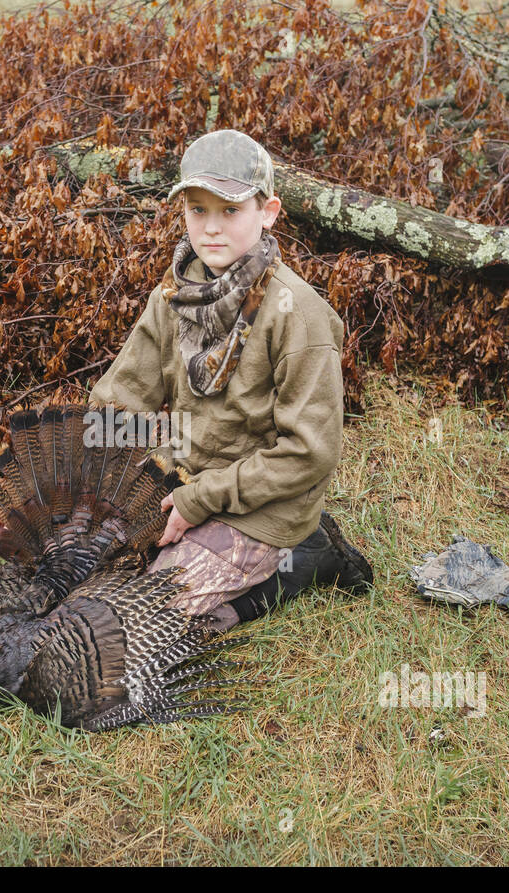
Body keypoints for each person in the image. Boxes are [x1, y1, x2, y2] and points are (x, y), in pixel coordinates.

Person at [88, 128, 373, 632]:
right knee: (71, 573)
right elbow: (118, 403)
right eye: (197, 210)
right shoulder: (174, 295)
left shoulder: (298, 314)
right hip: (181, 480)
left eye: (230, 211)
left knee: (137, 624)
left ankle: (302, 561)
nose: (211, 228)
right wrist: (72, 493)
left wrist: (196, 501)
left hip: (263, 506)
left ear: (268, 213)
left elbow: (310, 452)